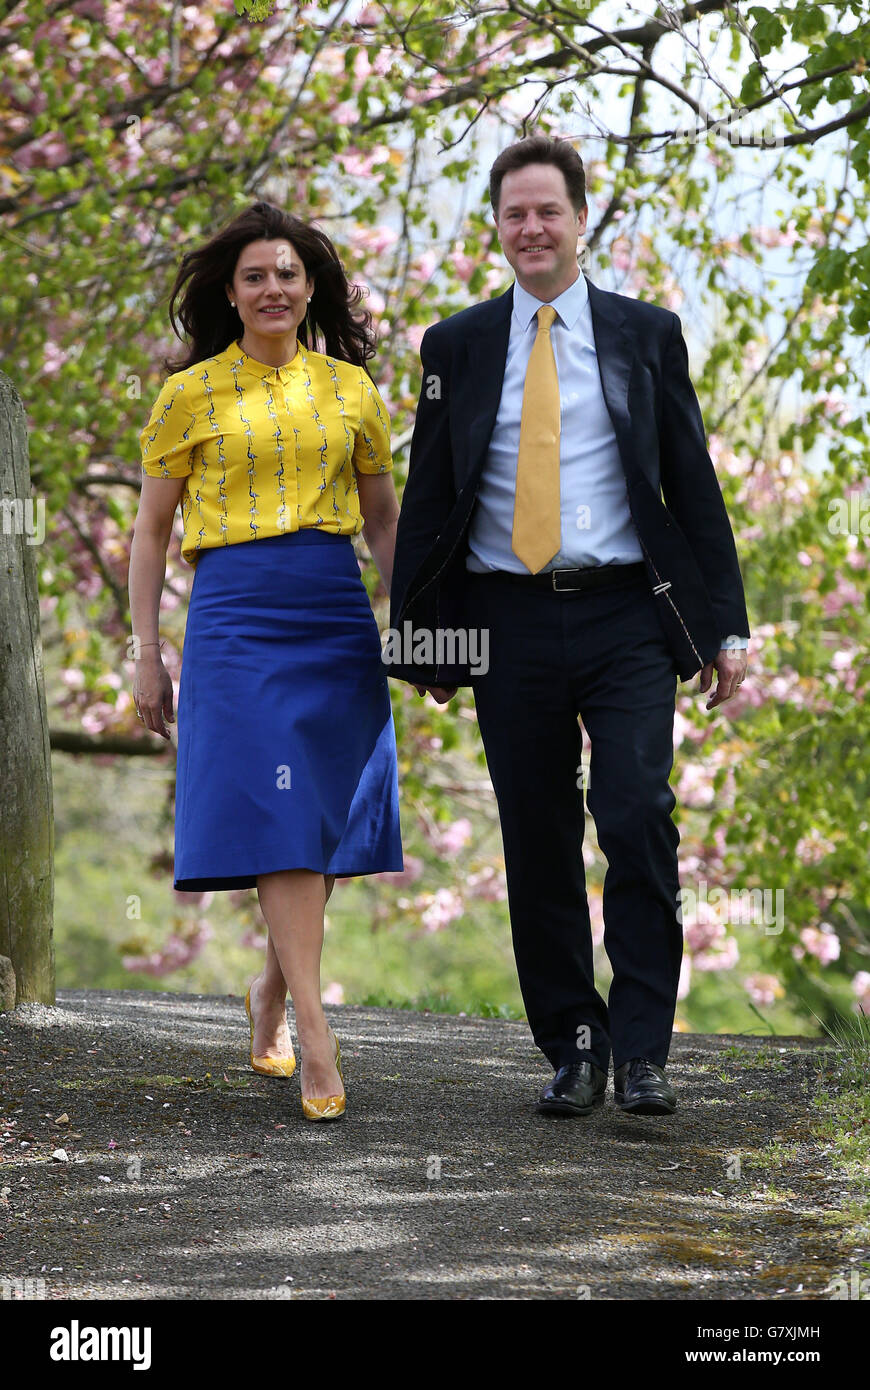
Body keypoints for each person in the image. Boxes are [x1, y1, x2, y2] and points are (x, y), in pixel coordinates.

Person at [387, 136, 750, 1118]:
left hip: (627, 613)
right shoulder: (454, 348)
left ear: (581, 220)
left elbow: (693, 484)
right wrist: (419, 637)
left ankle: (642, 1050)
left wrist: (729, 631)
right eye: (514, 214)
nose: (532, 228)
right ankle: (574, 1043)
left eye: (548, 210)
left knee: (635, 811)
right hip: (505, 623)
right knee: (536, 834)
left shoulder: (645, 333)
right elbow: (429, 501)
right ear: (497, 228)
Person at [129, 202, 403, 1122]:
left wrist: (408, 621)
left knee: (323, 808)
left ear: (311, 285)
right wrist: (146, 656)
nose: (273, 288)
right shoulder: (188, 394)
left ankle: (272, 990)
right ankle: (318, 1035)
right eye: (255, 276)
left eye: (288, 273)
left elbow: (383, 520)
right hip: (236, 617)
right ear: (231, 293)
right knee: (282, 807)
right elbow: (150, 531)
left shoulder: (353, 390)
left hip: (332, 610)